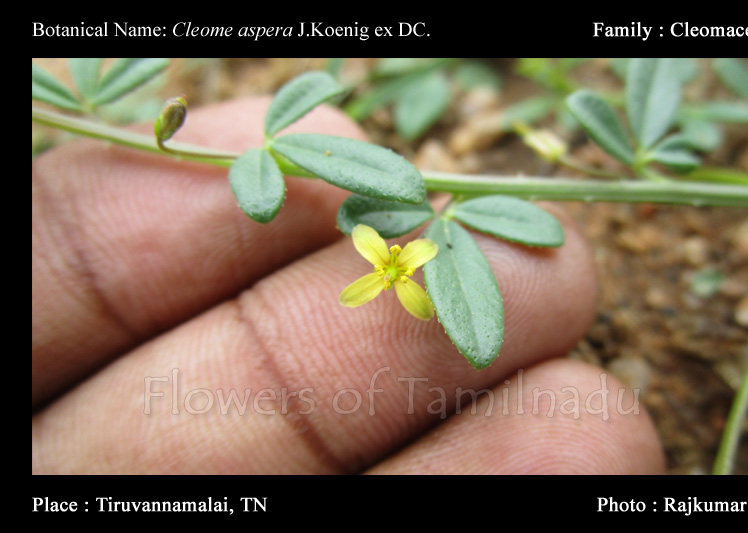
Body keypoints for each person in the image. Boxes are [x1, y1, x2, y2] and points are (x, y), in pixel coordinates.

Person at [31, 97, 664, 474]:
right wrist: (394, 266)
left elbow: (397, 254)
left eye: (399, 264)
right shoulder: (386, 265)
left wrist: (410, 257)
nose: (396, 265)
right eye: (395, 265)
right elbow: (367, 255)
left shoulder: (411, 259)